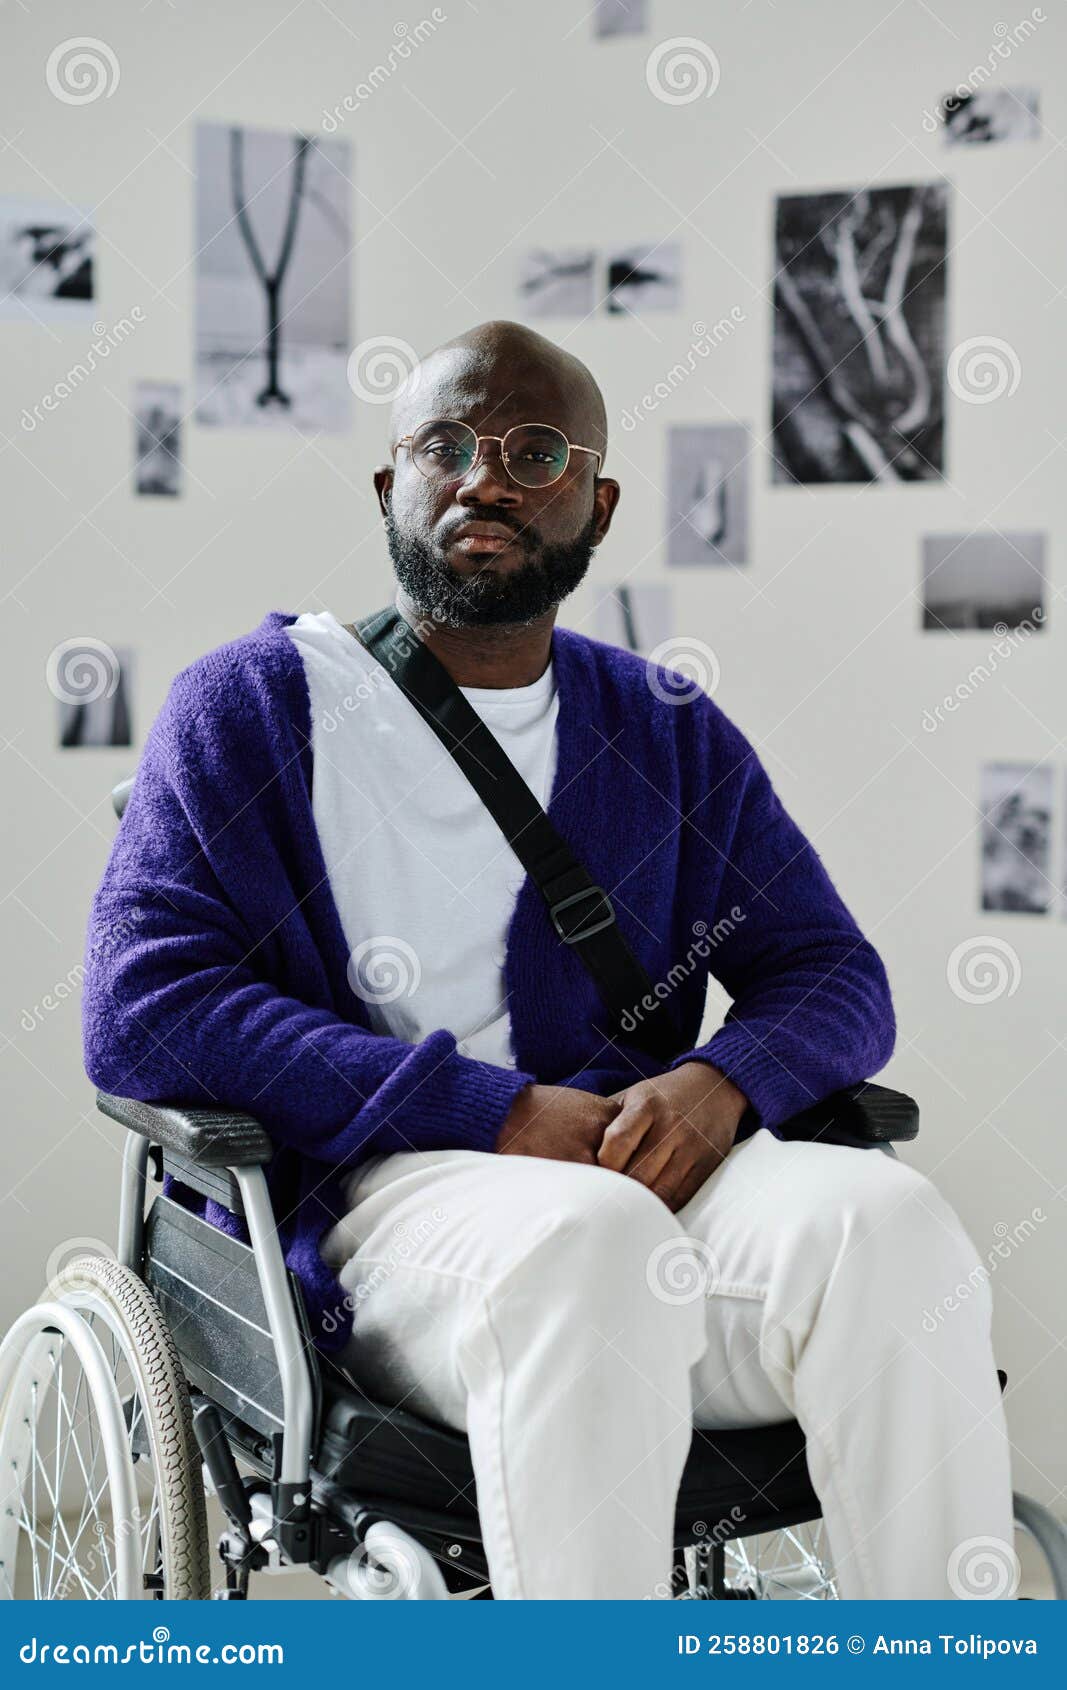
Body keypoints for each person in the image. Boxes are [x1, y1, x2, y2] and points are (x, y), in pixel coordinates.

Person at [82, 319, 1013, 1601]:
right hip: (386, 1204)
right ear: (388, 483)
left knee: (889, 1224)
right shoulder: (248, 705)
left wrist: (721, 1081)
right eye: (445, 445)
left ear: (598, 503)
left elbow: (832, 973)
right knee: (588, 1243)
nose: (485, 479)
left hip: (636, 1177)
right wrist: (491, 1108)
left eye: (534, 451)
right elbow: (145, 1009)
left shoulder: (665, 728)